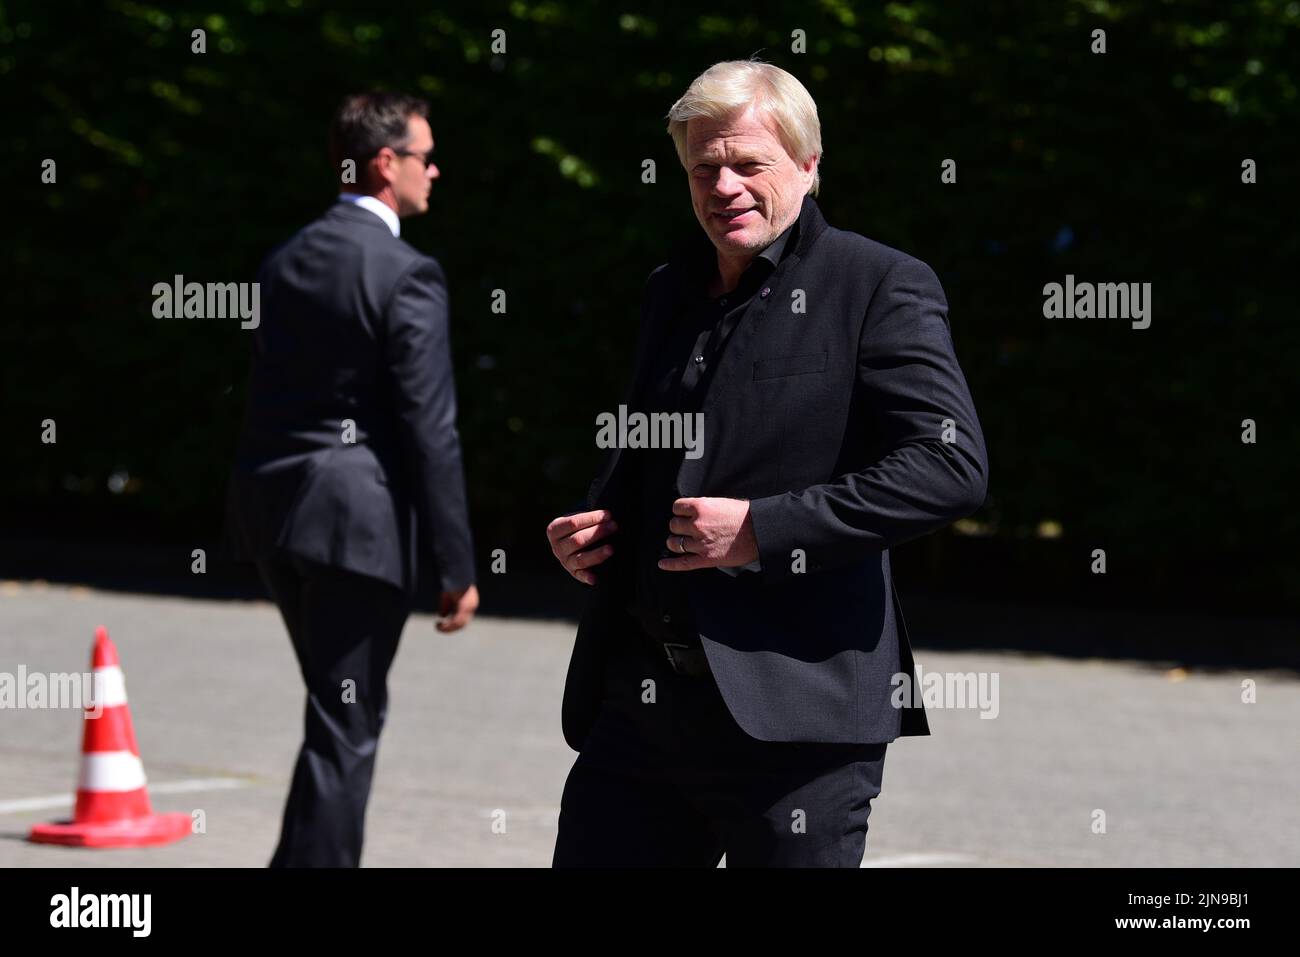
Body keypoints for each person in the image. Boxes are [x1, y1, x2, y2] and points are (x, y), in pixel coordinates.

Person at [547, 60, 988, 867]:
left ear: (809, 165)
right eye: (703, 168)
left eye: (749, 164)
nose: (724, 186)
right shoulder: (669, 288)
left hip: (798, 720)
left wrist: (763, 530)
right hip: (642, 709)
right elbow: (652, 445)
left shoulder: (878, 283)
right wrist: (602, 518)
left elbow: (948, 465)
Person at [226, 92, 478, 867]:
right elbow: (430, 429)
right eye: (424, 156)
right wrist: (458, 564)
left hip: (276, 519)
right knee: (348, 721)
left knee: (337, 713)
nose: (435, 170)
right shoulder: (408, 274)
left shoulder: (284, 258)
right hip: (353, 527)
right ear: (384, 163)